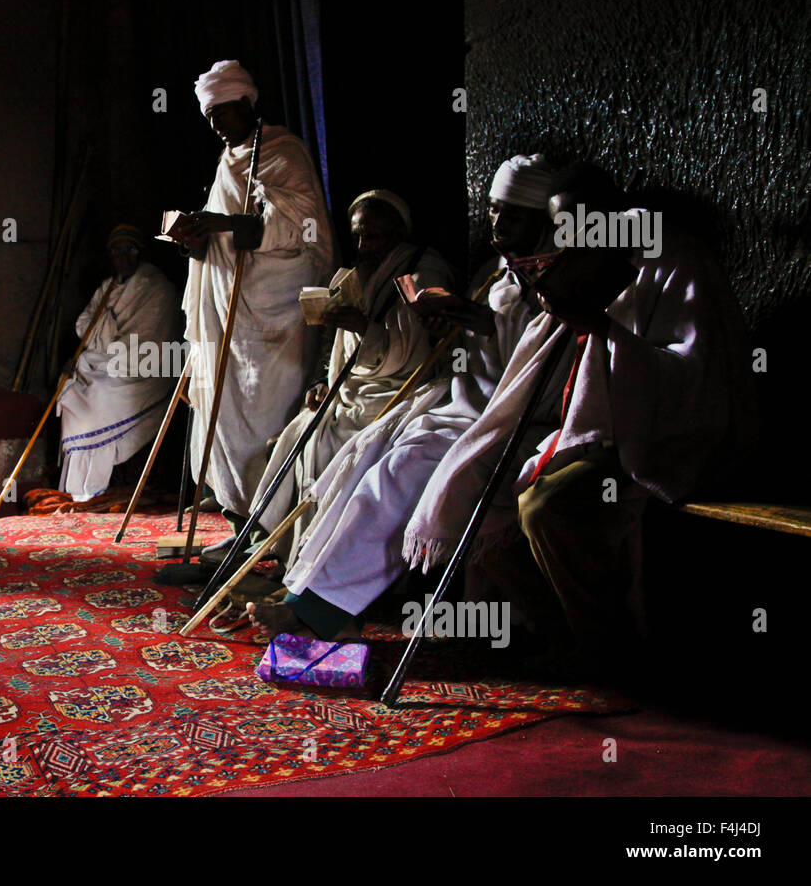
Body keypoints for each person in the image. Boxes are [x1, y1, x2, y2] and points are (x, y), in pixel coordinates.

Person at [414, 165, 757, 675]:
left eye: (581, 225)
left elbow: (691, 379)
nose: (571, 238)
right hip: (594, 430)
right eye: (563, 228)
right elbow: (540, 361)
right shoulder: (588, 261)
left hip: (670, 440)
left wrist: (602, 327)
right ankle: (556, 632)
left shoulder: (673, 259)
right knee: (477, 489)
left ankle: (607, 648)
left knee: (545, 506)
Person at [249, 154, 557, 639]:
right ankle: (304, 589)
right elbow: (456, 355)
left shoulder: (556, 284)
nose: (497, 223)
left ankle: (324, 609)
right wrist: (451, 328)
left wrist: (481, 327)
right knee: (360, 457)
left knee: (398, 471)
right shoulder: (495, 274)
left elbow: (543, 378)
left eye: (512, 215)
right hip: (454, 402)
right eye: (494, 211)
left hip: (504, 419)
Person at [161, 60, 333, 583]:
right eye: (209, 115)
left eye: (224, 111)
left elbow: (298, 227)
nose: (216, 123)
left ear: (249, 104)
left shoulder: (284, 151)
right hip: (226, 315)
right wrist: (196, 238)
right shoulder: (227, 160)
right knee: (227, 420)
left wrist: (219, 224)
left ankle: (268, 538)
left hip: (272, 314)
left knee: (265, 419)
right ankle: (240, 527)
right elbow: (225, 236)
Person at [238, 189, 455, 564]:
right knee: (297, 435)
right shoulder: (356, 275)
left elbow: (405, 357)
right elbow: (339, 355)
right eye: (357, 235)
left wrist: (362, 327)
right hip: (352, 393)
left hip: (400, 394)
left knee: (330, 446)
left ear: (398, 235)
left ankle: (324, 561)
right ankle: (286, 549)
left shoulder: (423, 272)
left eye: (373, 236)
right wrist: (323, 382)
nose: (362, 244)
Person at [55, 225, 182, 501]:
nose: (122, 256)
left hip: (147, 369)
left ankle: (93, 485)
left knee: (99, 395)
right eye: (116, 251)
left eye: (129, 249)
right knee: (72, 390)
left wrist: (104, 332)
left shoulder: (155, 288)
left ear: (140, 253)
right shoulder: (107, 287)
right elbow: (84, 326)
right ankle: (78, 486)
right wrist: (93, 348)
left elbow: (147, 343)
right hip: (109, 361)